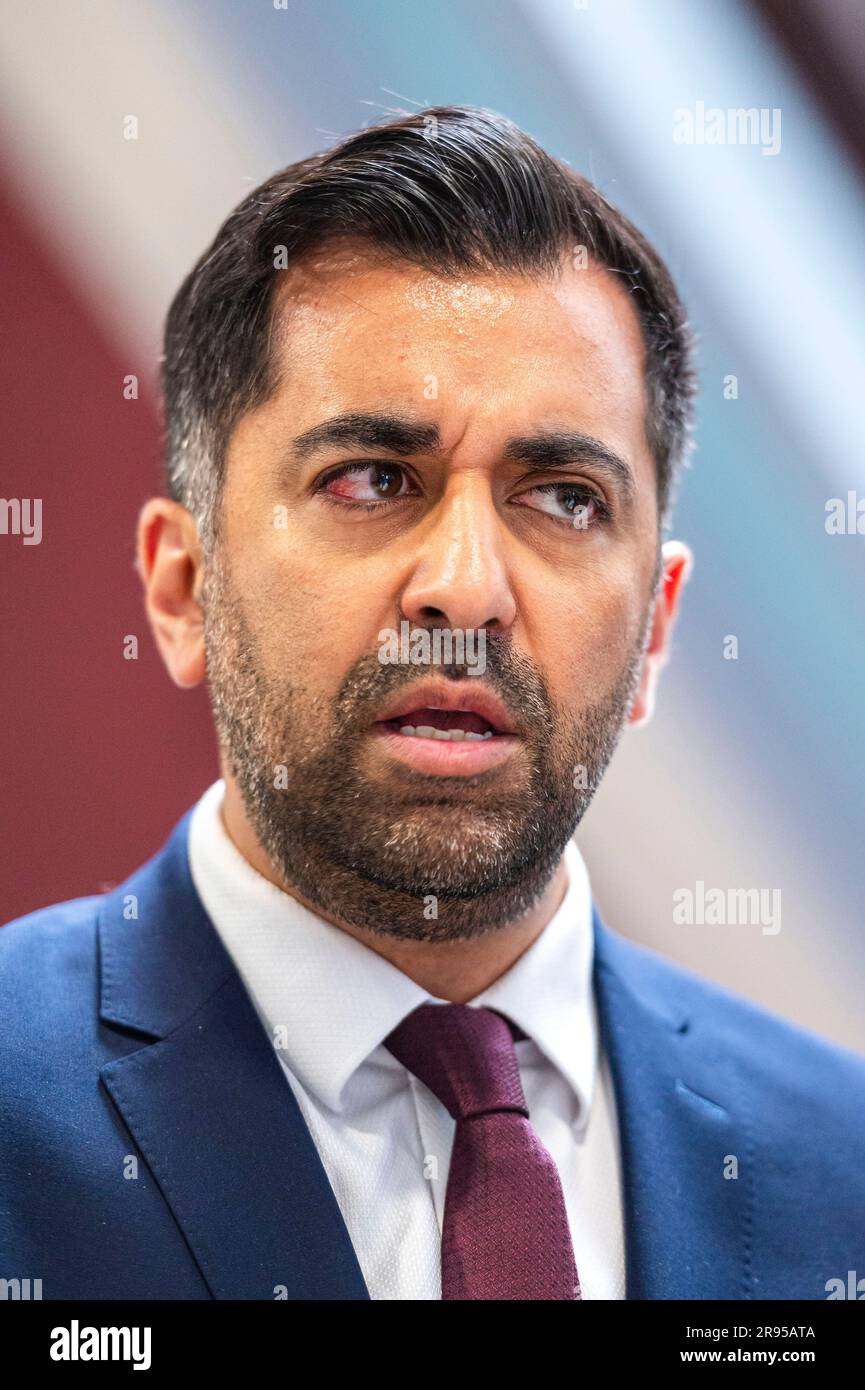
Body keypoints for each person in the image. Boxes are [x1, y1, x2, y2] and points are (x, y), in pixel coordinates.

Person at [2, 105, 863, 1302]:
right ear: (183, 586)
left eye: (562, 497)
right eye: (371, 479)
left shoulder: (843, 1167)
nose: (464, 585)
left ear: (657, 626)